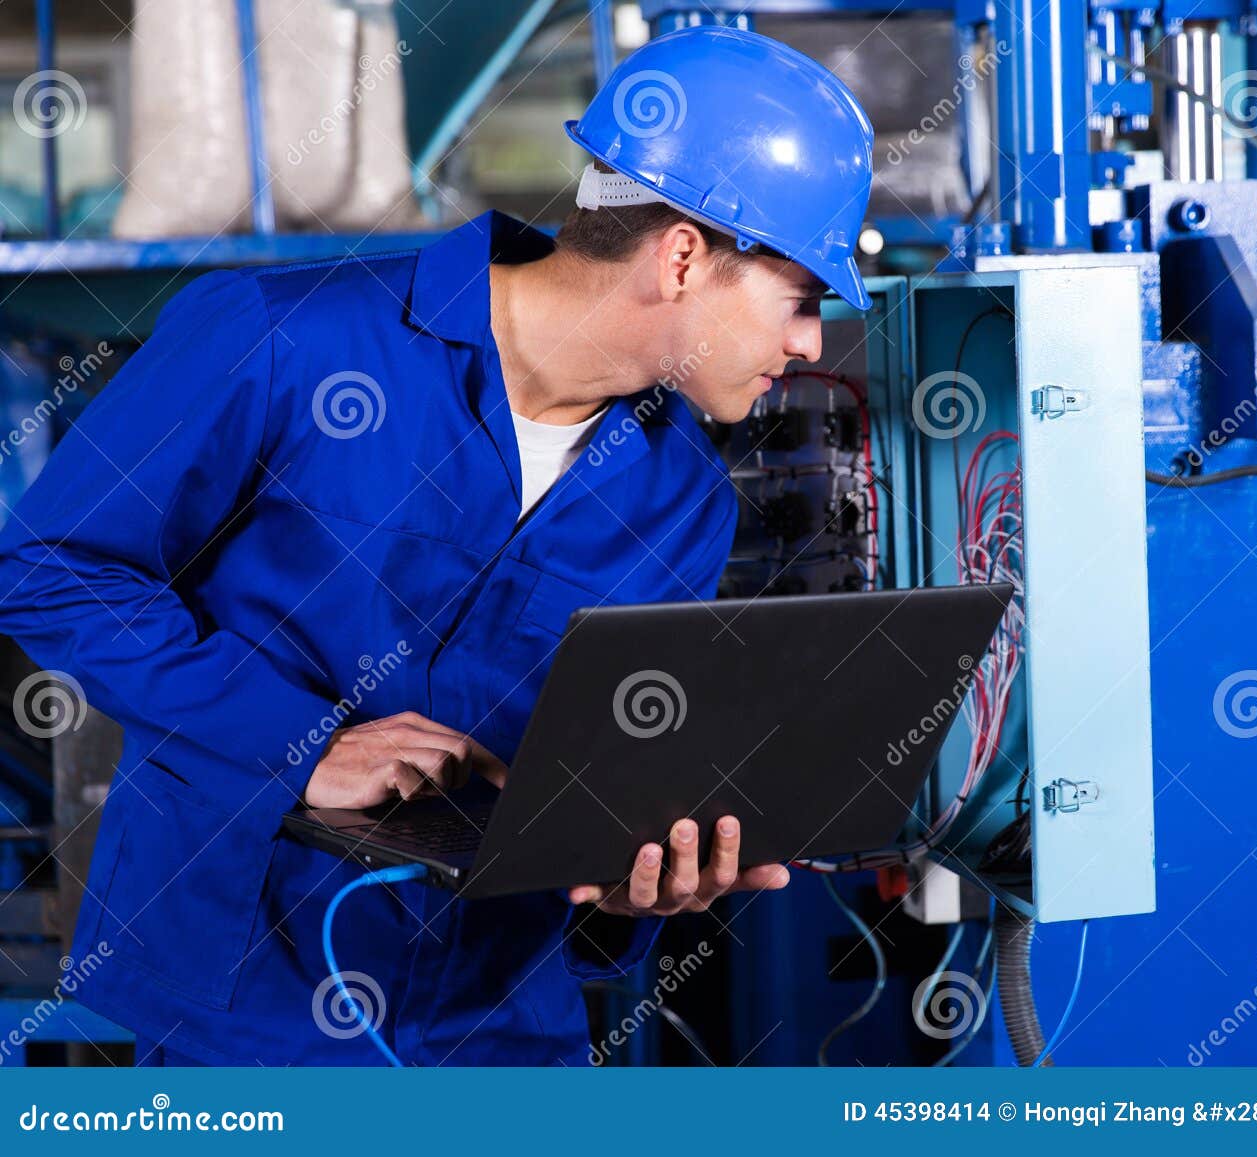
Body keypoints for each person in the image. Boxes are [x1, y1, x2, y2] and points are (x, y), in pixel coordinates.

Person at [0, 26, 873, 1065]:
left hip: (500, 1026)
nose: (812, 342)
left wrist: (647, 879)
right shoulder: (287, 339)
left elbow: (602, 776)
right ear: (683, 255)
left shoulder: (684, 494)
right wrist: (300, 741)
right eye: (802, 297)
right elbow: (48, 565)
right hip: (239, 1006)